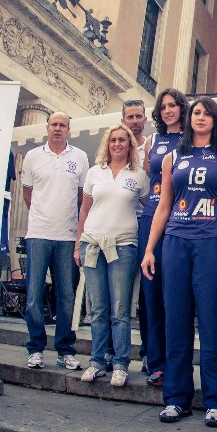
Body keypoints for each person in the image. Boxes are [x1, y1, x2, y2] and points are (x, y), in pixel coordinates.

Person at [142, 97, 217, 426]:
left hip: (212, 243)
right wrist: (149, 249)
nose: (201, 117)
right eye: (196, 112)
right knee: (177, 321)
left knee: (212, 322)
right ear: (189, 119)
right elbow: (163, 207)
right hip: (175, 242)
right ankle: (176, 397)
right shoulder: (172, 157)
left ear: (215, 121)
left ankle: (215, 400)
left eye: (207, 114)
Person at [74, 125, 149, 387]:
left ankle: (120, 363)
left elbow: (149, 208)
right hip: (92, 243)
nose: (117, 144)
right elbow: (84, 211)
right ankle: (97, 361)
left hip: (124, 246)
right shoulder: (94, 173)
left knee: (120, 309)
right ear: (107, 144)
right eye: (113, 140)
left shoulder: (139, 175)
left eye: (122, 140)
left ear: (130, 145)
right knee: (97, 309)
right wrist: (77, 245)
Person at [21, 112, 88, 371]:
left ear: (69, 130)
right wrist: (44, 216)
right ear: (46, 128)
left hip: (68, 236)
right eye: (53, 124)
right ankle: (36, 348)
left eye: (62, 125)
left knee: (66, 297)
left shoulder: (80, 157)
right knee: (33, 296)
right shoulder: (33, 157)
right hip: (38, 234)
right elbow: (28, 195)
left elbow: (83, 198)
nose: (58, 129)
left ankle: (65, 351)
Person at [138, 89, 188, 388]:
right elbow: (149, 176)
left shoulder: (192, 141)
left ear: (183, 108)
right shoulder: (152, 141)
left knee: (177, 293)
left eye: (173, 106)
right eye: (163, 107)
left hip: (183, 219)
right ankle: (156, 361)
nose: (168, 110)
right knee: (152, 292)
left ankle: (176, 359)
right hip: (153, 216)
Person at [120, 99, 148, 369]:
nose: (135, 120)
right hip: (122, 228)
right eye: (130, 116)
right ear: (123, 120)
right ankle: (116, 354)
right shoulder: (115, 146)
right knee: (119, 293)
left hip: (148, 224)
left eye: (139, 116)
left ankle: (148, 353)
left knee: (147, 295)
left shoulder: (151, 146)